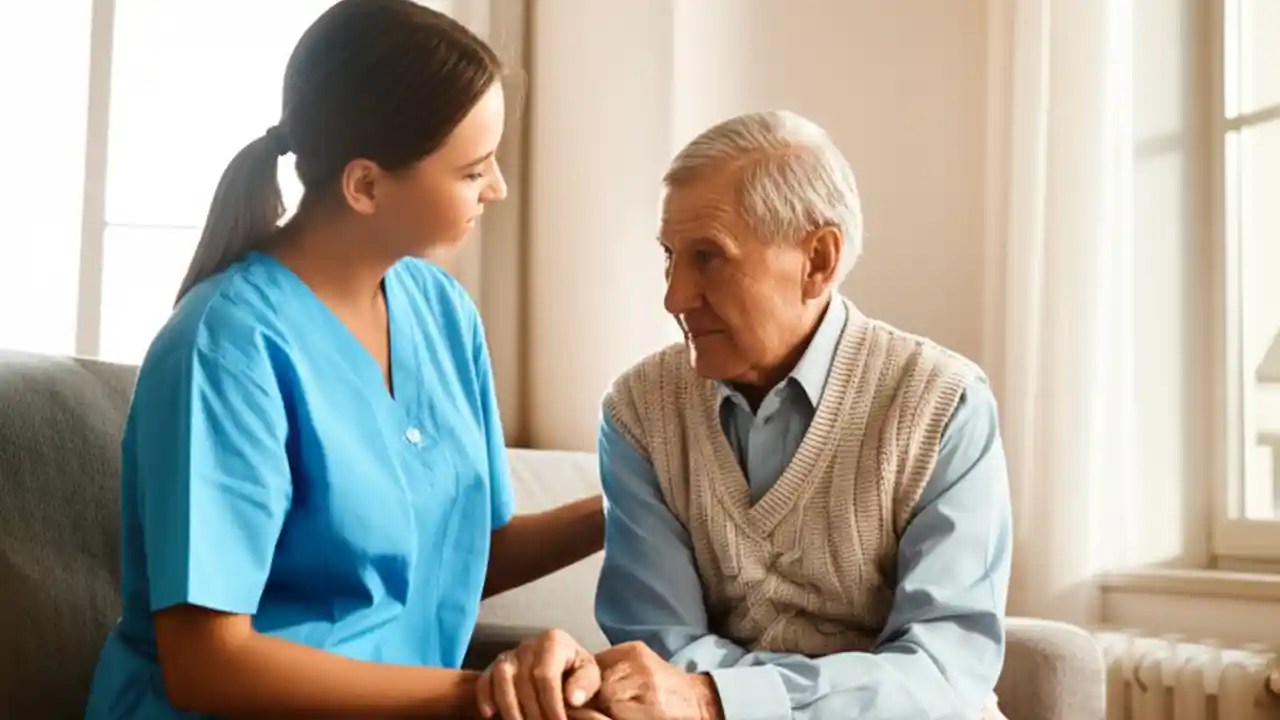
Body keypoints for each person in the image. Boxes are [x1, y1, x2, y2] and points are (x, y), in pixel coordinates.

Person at [83, 2, 603, 717]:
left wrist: (627, 507)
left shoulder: (443, 313)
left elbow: (454, 557)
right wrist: (477, 693)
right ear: (365, 185)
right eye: (473, 170)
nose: (497, 189)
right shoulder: (226, 346)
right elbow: (208, 663)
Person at [477, 111, 1012, 720]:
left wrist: (716, 699)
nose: (674, 297)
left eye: (708, 257)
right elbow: (660, 650)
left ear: (818, 260)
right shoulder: (639, 413)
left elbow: (945, 672)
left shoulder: (943, 404)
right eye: (670, 257)